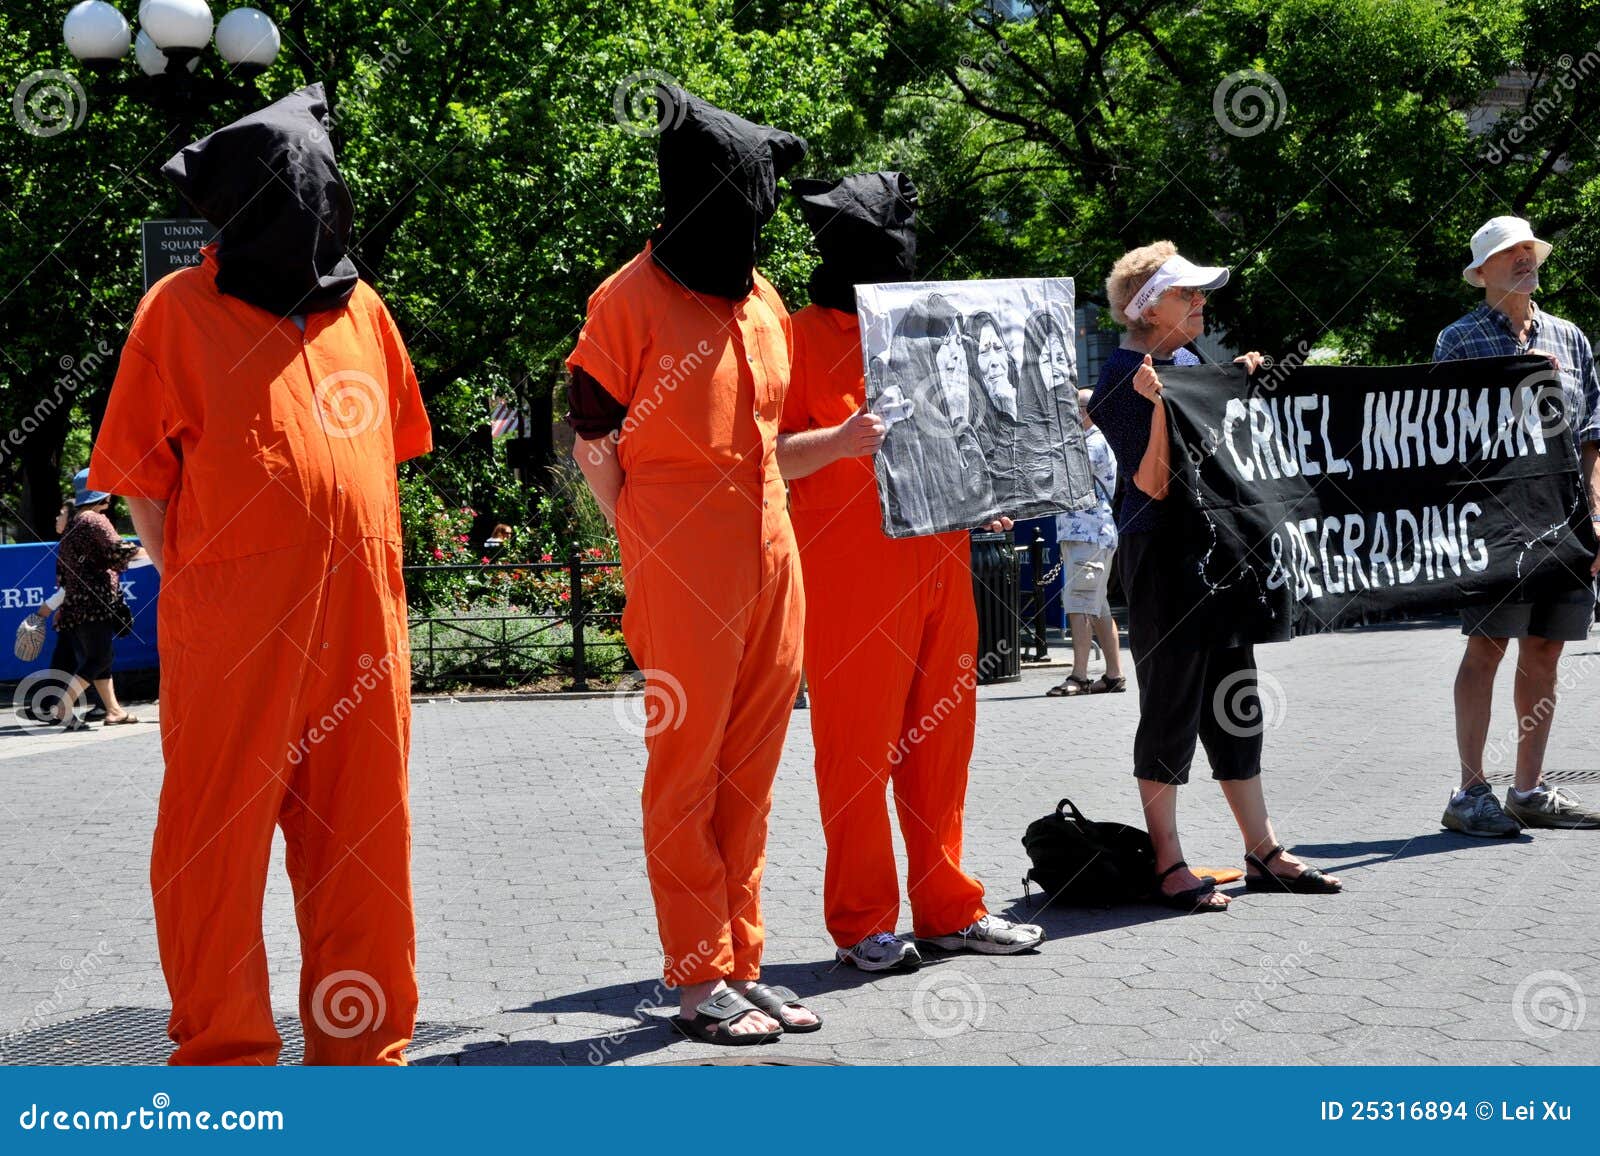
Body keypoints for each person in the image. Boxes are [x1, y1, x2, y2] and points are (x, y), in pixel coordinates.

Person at [89, 84, 432, 1064]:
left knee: (364, 849)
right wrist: (205, 574)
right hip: (235, 633)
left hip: (362, 637)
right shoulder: (178, 310)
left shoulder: (363, 309)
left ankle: (362, 1056)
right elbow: (142, 482)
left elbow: (380, 462)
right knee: (214, 850)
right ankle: (227, 1058)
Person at [566, 87, 819, 1044]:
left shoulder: (763, 302)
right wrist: (642, 530)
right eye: (747, 201)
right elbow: (593, 438)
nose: (758, 221)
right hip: (683, 568)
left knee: (750, 773)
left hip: (773, 556)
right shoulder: (624, 301)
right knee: (685, 772)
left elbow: (768, 445)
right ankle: (695, 974)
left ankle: (739, 963)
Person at [780, 170, 1042, 971]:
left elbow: (960, 435)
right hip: (850, 580)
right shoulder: (791, 339)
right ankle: (862, 923)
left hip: (941, 563)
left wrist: (984, 493)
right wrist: (838, 441)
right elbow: (761, 460)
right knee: (856, 754)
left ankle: (947, 907)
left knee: (942, 748)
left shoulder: (931, 333)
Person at [1087, 241, 1342, 912]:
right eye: (1186, 295)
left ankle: (1263, 851)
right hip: (1162, 554)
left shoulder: (1193, 363)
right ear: (1148, 308)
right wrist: (1163, 407)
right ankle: (1168, 862)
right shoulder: (1122, 372)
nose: (1201, 303)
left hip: (1218, 550)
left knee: (1237, 700)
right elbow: (1148, 482)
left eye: (1201, 294)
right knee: (1171, 702)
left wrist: (1234, 381)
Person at [1434, 216, 1600, 835]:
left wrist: (1595, 514)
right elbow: (1441, 435)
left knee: (1547, 650)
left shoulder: (1570, 337)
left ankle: (1527, 790)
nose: (1524, 259)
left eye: (1529, 250)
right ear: (1483, 274)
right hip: (1495, 524)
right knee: (1487, 646)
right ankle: (1470, 792)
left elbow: (1592, 435)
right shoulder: (1459, 340)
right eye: (1509, 254)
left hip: (1565, 520)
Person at [50, 470, 144, 731]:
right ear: (101, 493)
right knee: (99, 658)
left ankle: (113, 710)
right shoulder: (96, 520)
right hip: (96, 603)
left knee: (100, 656)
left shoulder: (74, 523)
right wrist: (160, 554)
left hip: (76, 605)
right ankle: (62, 705)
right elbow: (120, 550)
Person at [1049, 389, 1126, 697]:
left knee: (1079, 605)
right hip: (1087, 533)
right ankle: (1113, 675)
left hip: (1088, 533)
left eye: (1074, 407)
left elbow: (1057, 475)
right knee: (1096, 607)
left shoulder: (1091, 444)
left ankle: (1079, 676)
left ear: (1088, 410)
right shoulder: (1086, 442)